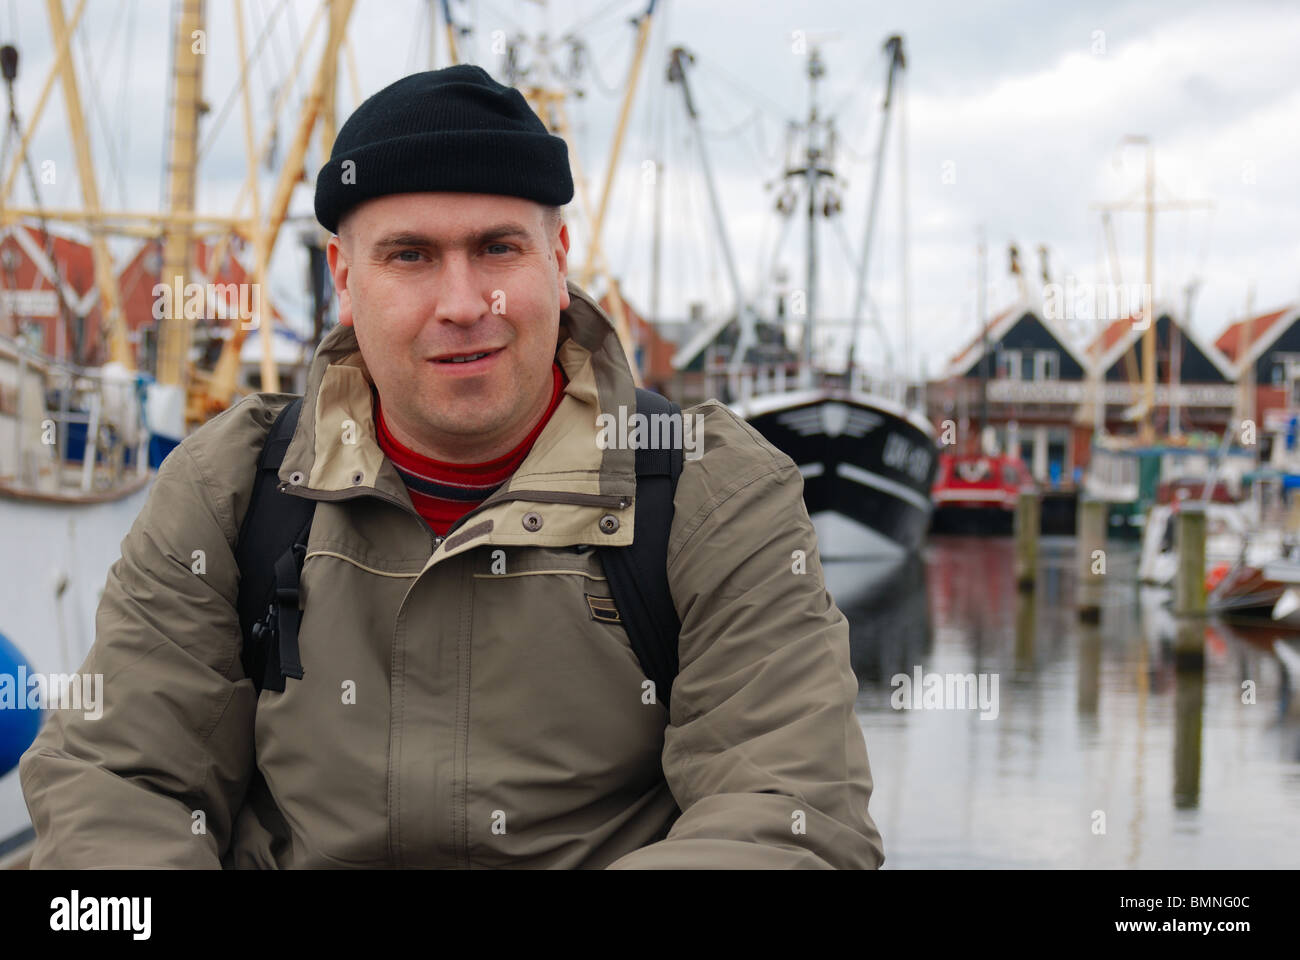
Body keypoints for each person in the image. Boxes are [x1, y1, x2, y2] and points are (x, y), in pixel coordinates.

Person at [20, 64, 884, 869]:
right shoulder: (232, 486)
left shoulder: (710, 491)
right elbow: (117, 782)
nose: (465, 304)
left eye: (498, 249)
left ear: (558, 259)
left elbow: (786, 814)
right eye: (411, 257)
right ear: (344, 280)